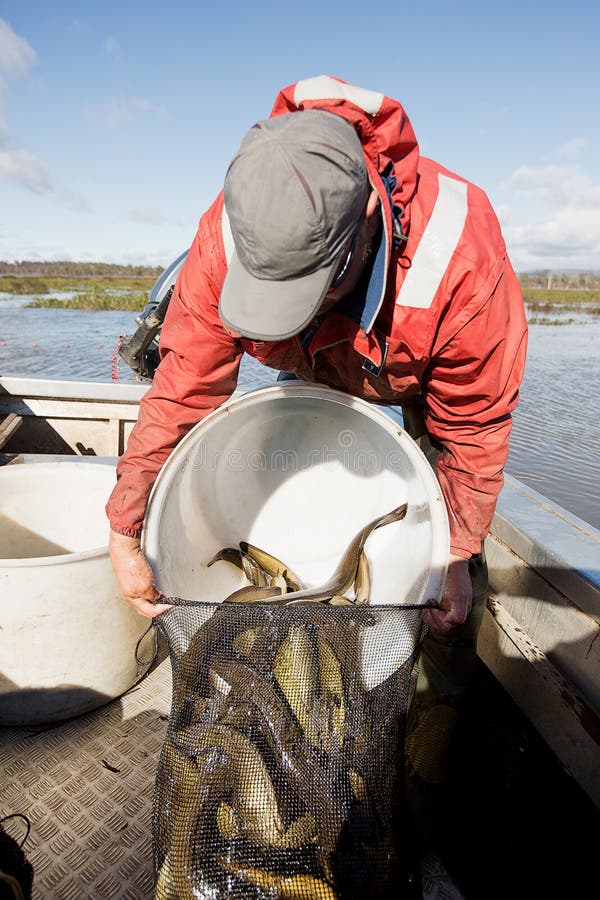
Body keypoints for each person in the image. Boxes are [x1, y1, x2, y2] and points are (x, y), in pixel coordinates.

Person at [106, 76, 528, 641]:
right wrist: (125, 527)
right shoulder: (234, 230)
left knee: (441, 589)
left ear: (367, 223)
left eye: (307, 291)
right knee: (283, 478)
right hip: (307, 364)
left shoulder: (460, 257)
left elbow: (474, 426)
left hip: (412, 376)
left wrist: (454, 555)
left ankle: (428, 686)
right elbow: (183, 385)